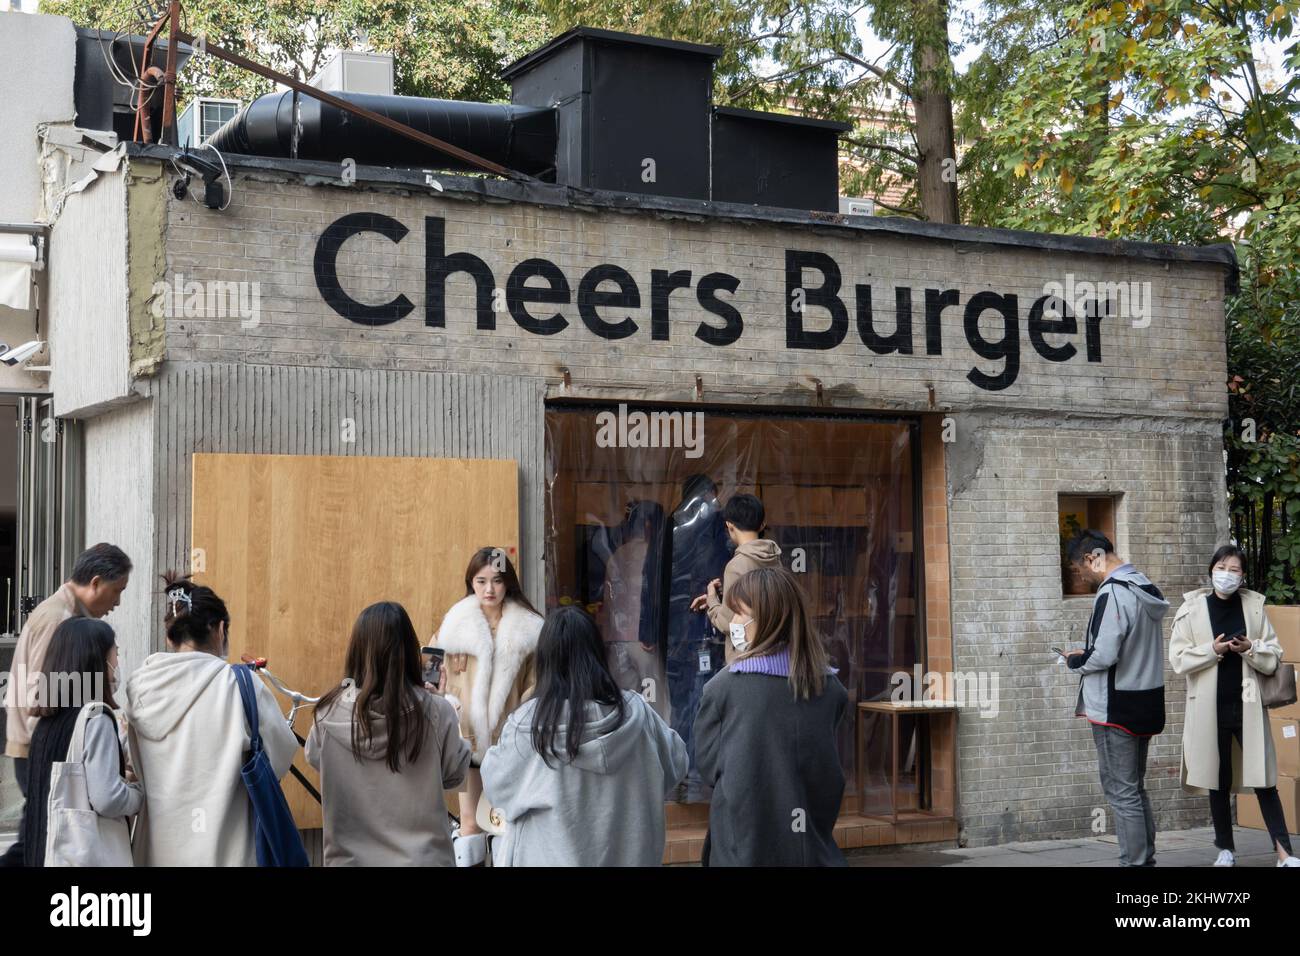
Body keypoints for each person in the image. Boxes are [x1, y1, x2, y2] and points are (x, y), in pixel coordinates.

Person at [480, 606, 687, 866]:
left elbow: (496, 787)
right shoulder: (638, 715)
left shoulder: (528, 727)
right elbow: (677, 764)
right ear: (598, 655)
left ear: (546, 660)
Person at [121, 575, 297, 866]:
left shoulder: (138, 688)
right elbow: (280, 759)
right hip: (228, 853)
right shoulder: (241, 686)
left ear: (169, 636)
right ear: (220, 629)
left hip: (155, 853)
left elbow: (131, 765)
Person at [694, 566, 848, 866]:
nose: (734, 623)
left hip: (741, 853)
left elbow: (709, 767)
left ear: (767, 620)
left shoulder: (723, 689)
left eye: (739, 613)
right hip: (814, 852)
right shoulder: (831, 689)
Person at [306, 601, 470, 866]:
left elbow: (315, 758)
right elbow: (454, 777)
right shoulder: (437, 712)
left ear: (357, 651)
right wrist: (446, 706)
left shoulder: (326, 715)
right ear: (409, 650)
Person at [1, 542, 131, 868]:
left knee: (40, 837)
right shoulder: (58, 618)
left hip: (44, 746)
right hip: (44, 749)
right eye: (117, 591)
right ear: (97, 582)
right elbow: (42, 697)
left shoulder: (67, 614)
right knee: (44, 838)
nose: (117, 602)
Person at [1169, 544, 1299, 867]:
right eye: (1222, 567)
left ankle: (1284, 853)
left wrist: (1249, 647)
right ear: (1212, 569)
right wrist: (1212, 650)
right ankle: (1225, 849)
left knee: (1264, 778)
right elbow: (1178, 660)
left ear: (1242, 577)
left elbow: (1274, 655)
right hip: (1209, 708)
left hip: (1248, 705)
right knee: (1218, 779)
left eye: (1235, 570)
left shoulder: (1254, 607)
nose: (1227, 574)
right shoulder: (1191, 610)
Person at [1064, 529, 1169, 867]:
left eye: (1079, 567)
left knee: (1122, 793)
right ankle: (1144, 860)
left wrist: (1076, 660)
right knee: (1134, 789)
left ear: (1093, 557)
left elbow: (1105, 655)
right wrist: (1091, 652)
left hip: (1116, 707)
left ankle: (1135, 864)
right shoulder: (1142, 585)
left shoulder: (1112, 592)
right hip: (1144, 700)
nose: (1081, 575)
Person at [434, 547, 544, 866]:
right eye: (481, 581)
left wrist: (520, 729)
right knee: (469, 823)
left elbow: (536, 688)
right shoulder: (454, 625)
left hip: (511, 744)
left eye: (496, 580)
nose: (489, 589)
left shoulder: (529, 629)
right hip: (466, 740)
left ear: (508, 582)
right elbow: (436, 676)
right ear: (471, 582)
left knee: (507, 823)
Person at [20, 617, 141, 867]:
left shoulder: (46, 721)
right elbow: (108, 799)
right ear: (96, 660)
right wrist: (140, 795)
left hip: (43, 854)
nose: (117, 662)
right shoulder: (95, 718)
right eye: (115, 653)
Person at [663, 474, 732, 802]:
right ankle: (692, 778)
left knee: (687, 703)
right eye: (711, 496)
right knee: (695, 702)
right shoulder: (710, 530)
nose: (714, 504)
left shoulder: (674, 528)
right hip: (700, 630)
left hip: (683, 631)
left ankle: (685, 777)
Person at [693, 493, 783, 664]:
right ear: (763, 523)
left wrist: (712, 600)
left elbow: (729, 623)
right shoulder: (775, 558)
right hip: (773, 653)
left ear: (729, 525)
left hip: (746, 657)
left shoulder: (736, 566)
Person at [600, 499, 669, 721]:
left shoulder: (616, 556)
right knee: (655, 706)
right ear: (650, 525)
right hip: (645, 640)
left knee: (622, 704)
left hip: (617, 640)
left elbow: (608, 603)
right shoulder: (657, 554)